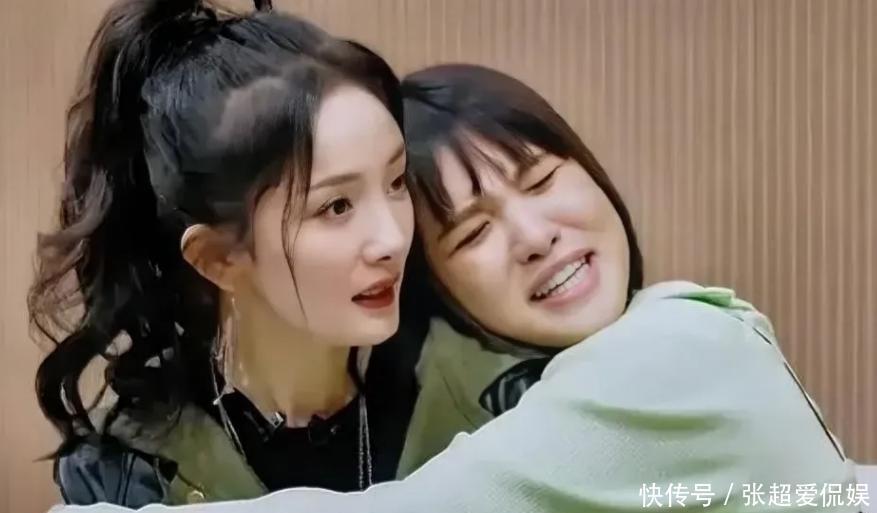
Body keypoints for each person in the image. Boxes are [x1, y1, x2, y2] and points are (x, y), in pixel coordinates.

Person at [51, 63, 862, 513]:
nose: (535, 234)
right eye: (471, 232)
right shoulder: (137, 460)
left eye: (540, 179)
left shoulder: (684, 342)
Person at [29, 0, 426, 506]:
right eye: (337, 206)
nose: (392, 238)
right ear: (217, 258)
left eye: (396, 181)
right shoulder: (127, 476)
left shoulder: (463, 393)